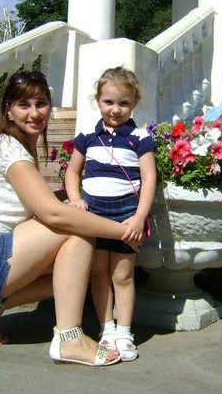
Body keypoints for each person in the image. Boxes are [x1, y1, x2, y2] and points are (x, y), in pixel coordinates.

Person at [0, 70, 144, 367]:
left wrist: (80, 200)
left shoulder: (18, 147)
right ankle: (69, 339)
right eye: (24, 105)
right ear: (8, 110)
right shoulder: (9, 149)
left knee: (76, 267)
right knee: (78, 232)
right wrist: (123, 231)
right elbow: (53, 214)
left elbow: (44, 204)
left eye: (41, 104)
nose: (35, 113)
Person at [64, 66, 156, 362]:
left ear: (135, 103)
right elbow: (72, 172)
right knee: (99, 274)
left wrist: (139, 217)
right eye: (108, 102)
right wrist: (75, 199)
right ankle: (107, 329)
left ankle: (125, 332)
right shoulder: (88, 136)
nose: (115, 109)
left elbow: (149, 179)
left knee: (123, 275)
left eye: (124, 103)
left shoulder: (140, 137)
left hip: (126, 216)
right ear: (98, 100)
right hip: (93, 215)